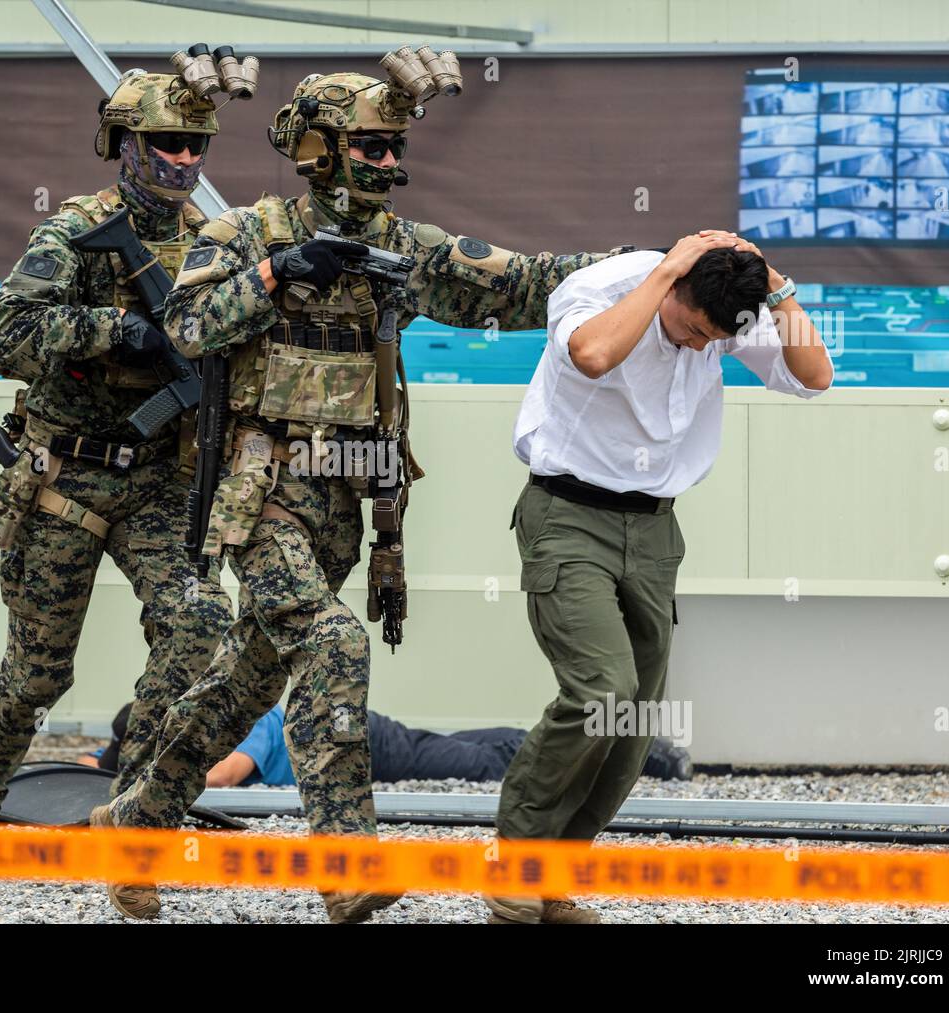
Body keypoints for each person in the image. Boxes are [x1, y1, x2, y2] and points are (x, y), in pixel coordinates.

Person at [93, 50, 624, 924]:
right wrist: (278, 275)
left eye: (393, 147)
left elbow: (528, 283)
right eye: (370, 146)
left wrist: (652, 266)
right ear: (317, 150)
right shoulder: (248, 235)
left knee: (244, 682)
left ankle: (134, 820)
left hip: (347, 503)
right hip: (259, 498)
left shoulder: (400, 248)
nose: (386, 162)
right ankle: (345, 866)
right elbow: (182, 327)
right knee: (335, 646)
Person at [489, 231, 833, 925]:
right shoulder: (610, 287)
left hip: (653, 530)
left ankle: (557, 874)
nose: (702, 346)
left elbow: (814, 375)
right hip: (568, 514)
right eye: (692, 330)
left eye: (717, 339)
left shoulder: (718, 313)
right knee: (601, 688)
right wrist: (666, 272)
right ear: (674, 285)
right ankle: (515, 864)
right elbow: (590, 355)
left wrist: (781, 287)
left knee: (635, 718)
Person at [0, 63, 243, 823]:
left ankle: (135, 804)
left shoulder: (212, 244)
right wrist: (114, 330)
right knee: (39, 673)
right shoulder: (73, 232)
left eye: (196, 142)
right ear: (125, 142)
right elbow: (7, 334)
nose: (184, 159)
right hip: (62, 479)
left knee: (200, 621)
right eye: (167, 141)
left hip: (157, 483)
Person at [89, 702, 693, 785]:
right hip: (352, 736)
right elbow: (90, 765)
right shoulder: (188, 729)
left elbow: (221, 776)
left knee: (483, 765)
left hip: (358, 743)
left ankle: (644, 757)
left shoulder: (221, 722)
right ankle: (618, 737)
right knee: (475, 747)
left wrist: (147, 785)